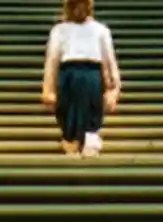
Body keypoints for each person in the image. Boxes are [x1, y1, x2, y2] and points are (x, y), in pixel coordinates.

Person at [41, 0, 122, 158]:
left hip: (92, 75)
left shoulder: (100, 30)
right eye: (75, 5)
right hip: (68, 76)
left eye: (82, 5)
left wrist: (114, 89)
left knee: (91, 113)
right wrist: (47, 88)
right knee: (68, 114)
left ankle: (89, 141)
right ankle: (71, 141)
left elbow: (110, 61)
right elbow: (52, 60)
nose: (79, 9)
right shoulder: (59, 30)